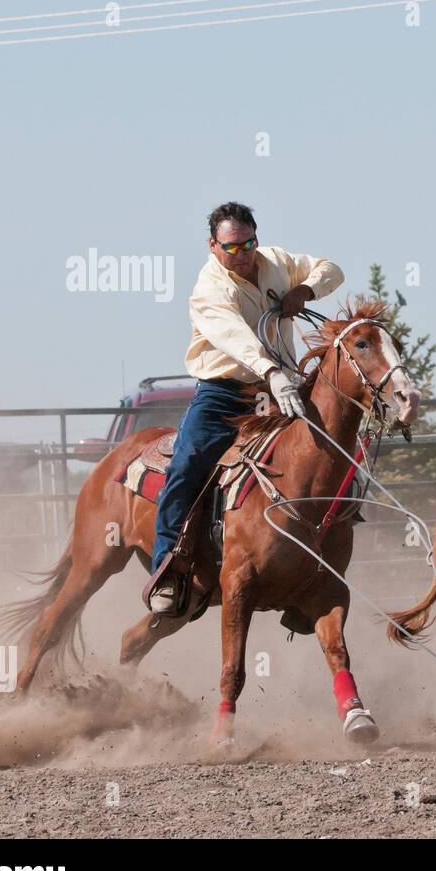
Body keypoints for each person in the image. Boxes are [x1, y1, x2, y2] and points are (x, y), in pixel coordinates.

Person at [147, 202, 344, 616]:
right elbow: (234, 337)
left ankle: (317, 563)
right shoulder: (209, 289)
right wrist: (272, 370)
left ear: (257, 237)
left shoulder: (276, 262)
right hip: (224, 393)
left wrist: (304, 290)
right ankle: (167, 566)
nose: (242, 254)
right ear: (213, 246)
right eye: (231, 248)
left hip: (280, 387)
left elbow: (331, 269)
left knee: (329, 447)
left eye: (248, 243)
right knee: (186, 466)